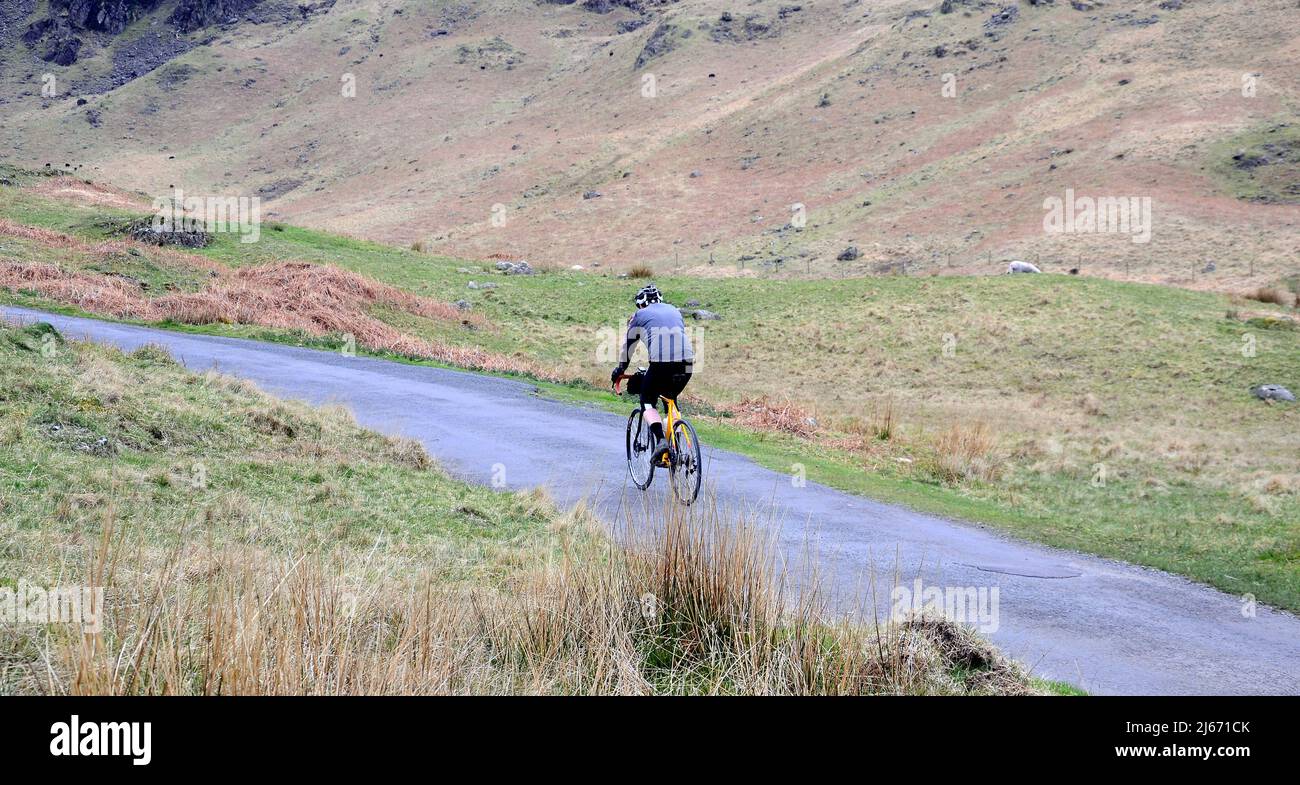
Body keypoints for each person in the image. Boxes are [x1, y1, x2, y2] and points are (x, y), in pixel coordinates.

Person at [611, 283, 694, 466]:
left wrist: (620, 370)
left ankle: (661, 441)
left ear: (641, 304)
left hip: (661, 363)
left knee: (647, 399)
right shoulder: (674, 310)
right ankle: (678, 447)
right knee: (670, 397)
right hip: (687, 363)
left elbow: (629, 346)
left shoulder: (639, 315)